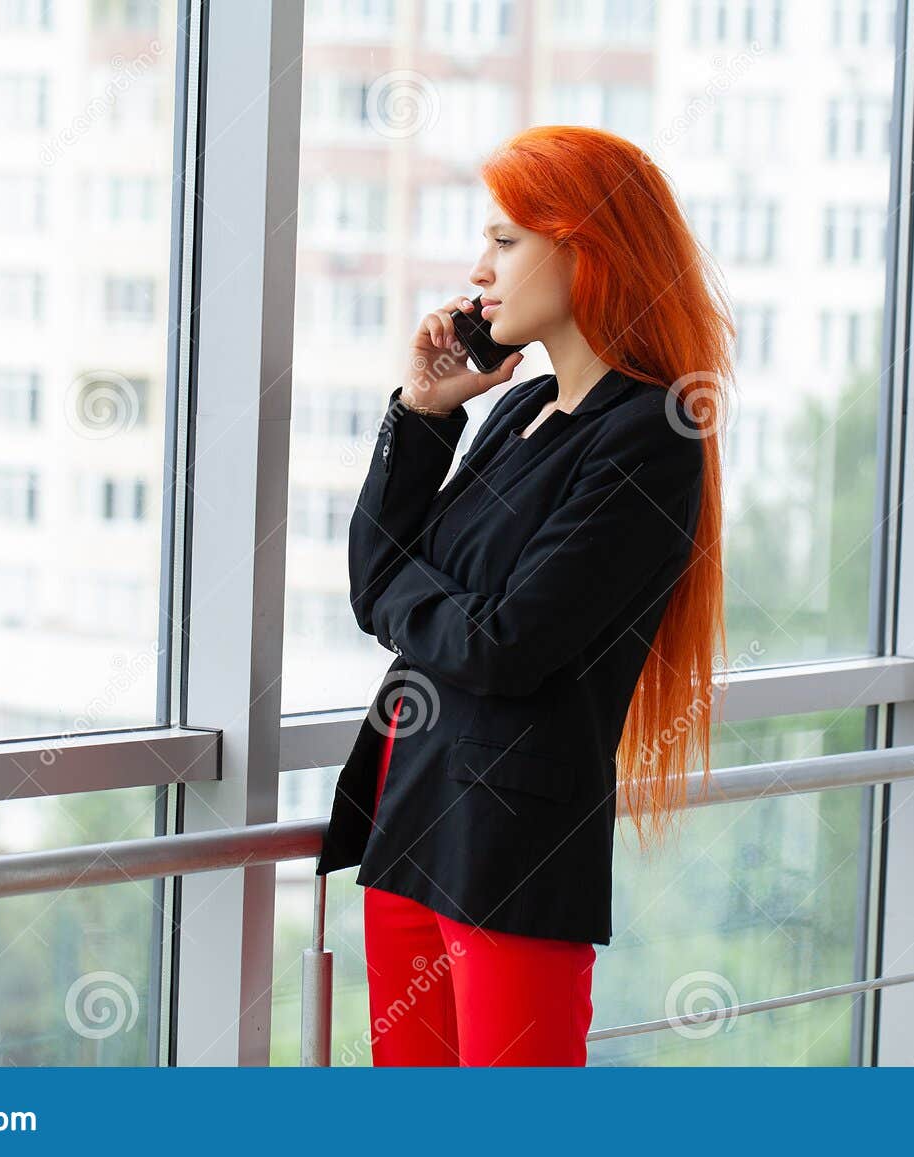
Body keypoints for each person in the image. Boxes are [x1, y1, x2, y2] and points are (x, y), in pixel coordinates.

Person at [316, 124, 732, 1066]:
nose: (480, 268)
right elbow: (372, 575)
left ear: (587, 249)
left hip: (512, 844)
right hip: (408, 810)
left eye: (506, 241)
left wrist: (407, 599)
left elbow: (506, 644)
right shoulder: (515, 408)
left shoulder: (652, 434)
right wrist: (426, 412)